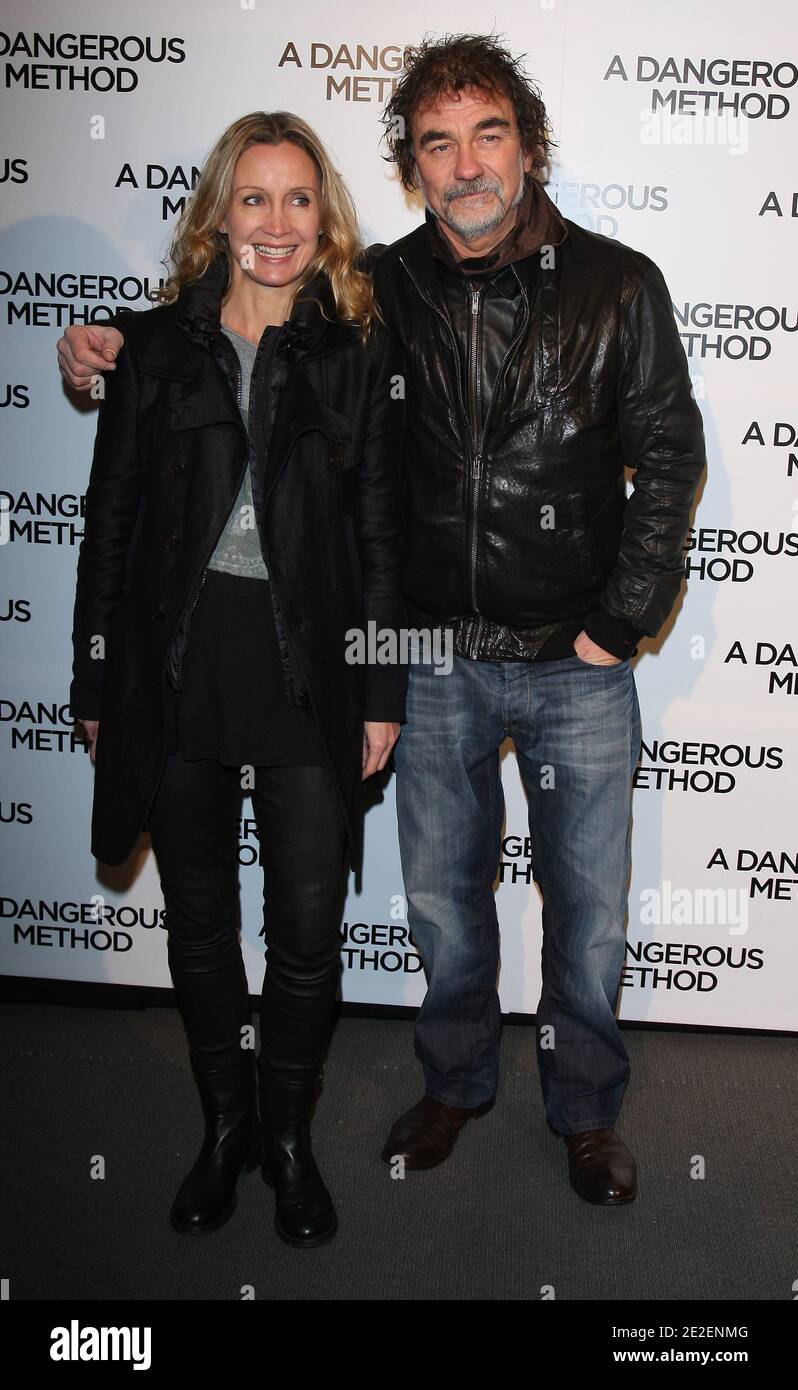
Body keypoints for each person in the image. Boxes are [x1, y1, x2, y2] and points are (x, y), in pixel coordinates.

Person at [59, 33, 707, 1208]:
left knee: (594, 911)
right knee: (443, 904)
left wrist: (619, 624)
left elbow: (669, 460)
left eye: (487, 134)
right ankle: (455, 1083)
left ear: (530, 145)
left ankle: (587, 1113)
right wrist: (107, 343)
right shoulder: (380, 293)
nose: (465, 165)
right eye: (436, 143)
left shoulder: (620, 284)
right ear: (413, 167)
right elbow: (233, 322)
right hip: (426, 653)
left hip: (575, 662)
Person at [63, 110, 406, 1247]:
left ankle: (290, 1137)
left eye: (296, 199)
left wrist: (385, 692)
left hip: (309, 664)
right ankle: (225, 1129)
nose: (274, 222)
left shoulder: (356, 354)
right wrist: (96, 684)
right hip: (179, 663)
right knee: (201, 920)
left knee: (308, 927)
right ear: (219, 213)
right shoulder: (157, 350)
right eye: (252, 198)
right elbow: (109, 530)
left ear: (326, 217)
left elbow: (381, 544)